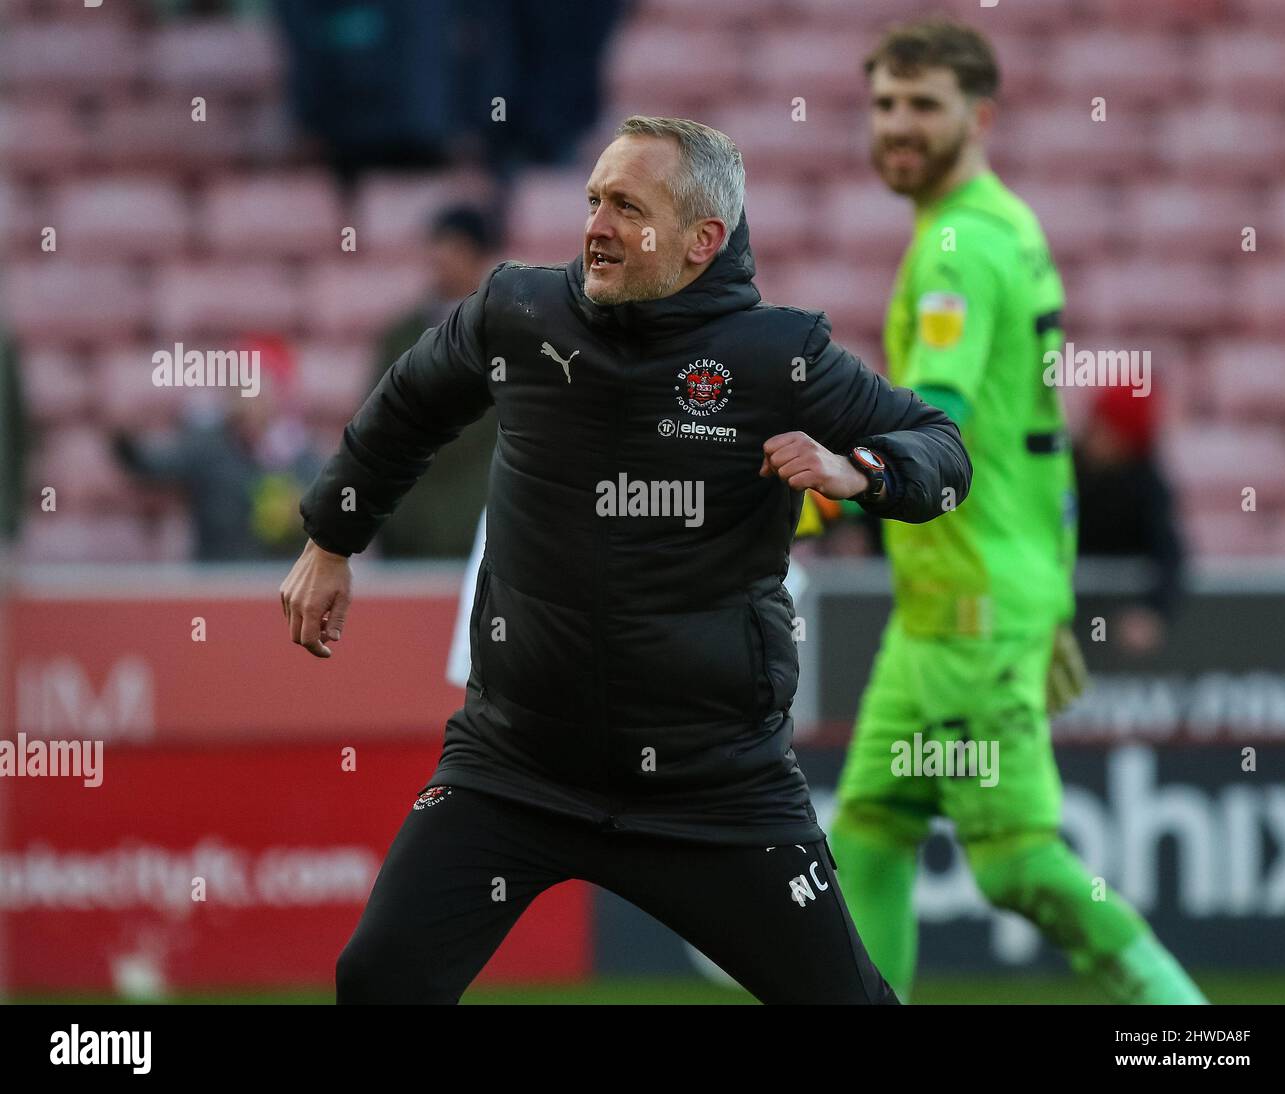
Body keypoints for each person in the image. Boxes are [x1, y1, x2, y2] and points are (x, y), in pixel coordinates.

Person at [280, 115, 971, 1005]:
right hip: (515, 766)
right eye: (594, 199)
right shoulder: (519, 313)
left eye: (627, 207)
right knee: (377, 979)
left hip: (714, 785)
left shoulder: (776, 357)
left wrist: (863, 470)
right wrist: (333, 538)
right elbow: (410, 403)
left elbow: (942, 447)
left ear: (701, 241)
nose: (595, 224)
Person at [828, 19, 1207, 1004]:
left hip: (969, 610)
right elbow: (1036, 443)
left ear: (979, 116)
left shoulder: (955, 250)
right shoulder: (1007, 225)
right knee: (868, 827)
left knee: (1014, 864)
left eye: (922, 106)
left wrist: (848, 477)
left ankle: (1186, 1021)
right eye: (883, 106)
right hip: (955, 604)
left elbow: (943, 412)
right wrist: (1047, 588)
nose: (897, 126)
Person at [114, 335, 322, 560]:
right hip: (215, 584)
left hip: (277, 586)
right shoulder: (208, 447)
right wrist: (123, 434)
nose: (245, 398)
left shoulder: (304, 461)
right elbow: (148, 465)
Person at [371, 207, 500, 559]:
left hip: (483, 529)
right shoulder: (401, 337)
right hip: (408, 530)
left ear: (479, 257)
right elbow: (376, 425)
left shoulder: (507, 334)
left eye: (454, 248)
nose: (441, 258)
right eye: (438, 246)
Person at [1074, 381, 1185, 654]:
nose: (1097, 437)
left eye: (1109, 430)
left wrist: (1153, 610)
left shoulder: (1146, 485)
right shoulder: (1065, 469)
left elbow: (1171, 552)